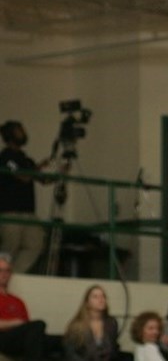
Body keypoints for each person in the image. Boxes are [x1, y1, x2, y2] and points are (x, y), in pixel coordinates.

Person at [0, 120, 51, 273]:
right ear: (10, 135)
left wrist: (61, 172)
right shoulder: (5, 157)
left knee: (35, 244)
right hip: (10, 212)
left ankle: (13, 276)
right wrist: (39, 167)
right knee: (10, 248)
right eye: (19, 130)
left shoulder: (26, 159)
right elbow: (23, 177)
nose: (23, 133)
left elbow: (43, 180)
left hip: (28, 213)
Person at [0, 252, 61, 359]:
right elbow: (24, 324)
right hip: (3, 338)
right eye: (0, 270)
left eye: (7, 270)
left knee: (63, 340)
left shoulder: (18, 301)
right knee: (39, 324)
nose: (4, 274)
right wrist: (15, 322)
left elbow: (28, 329)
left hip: (21, 339)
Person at [63, 285, 123, 361]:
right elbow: (71, 354)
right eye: (95, 297)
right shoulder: (76, 326)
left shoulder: (112, 323)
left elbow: (114, 349)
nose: (101, 299)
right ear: (87, 302)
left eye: (103, 296)